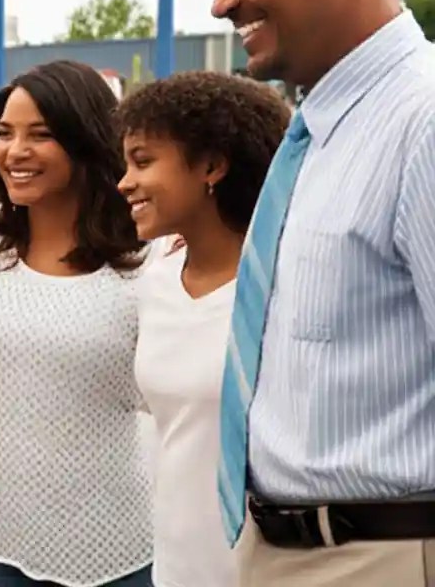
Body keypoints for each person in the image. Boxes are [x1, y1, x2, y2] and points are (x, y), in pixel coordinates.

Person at [199, 0, 435, 584]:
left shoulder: (422, 121)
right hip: (285, 550)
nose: (219, 3)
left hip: (382, 558)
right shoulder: (319, 131)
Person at [0, 60, 152, 587]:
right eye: (4, 133)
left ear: (84, 141)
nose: (15, 151)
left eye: (40, 135)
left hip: (117, 544)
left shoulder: (147, 253)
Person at [115, 72, 289, 587]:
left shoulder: (283, 286)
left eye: (143, 161)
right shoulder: (155, 282)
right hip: (175, 564)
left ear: (212, 166)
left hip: (272, 568)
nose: (124, 182)